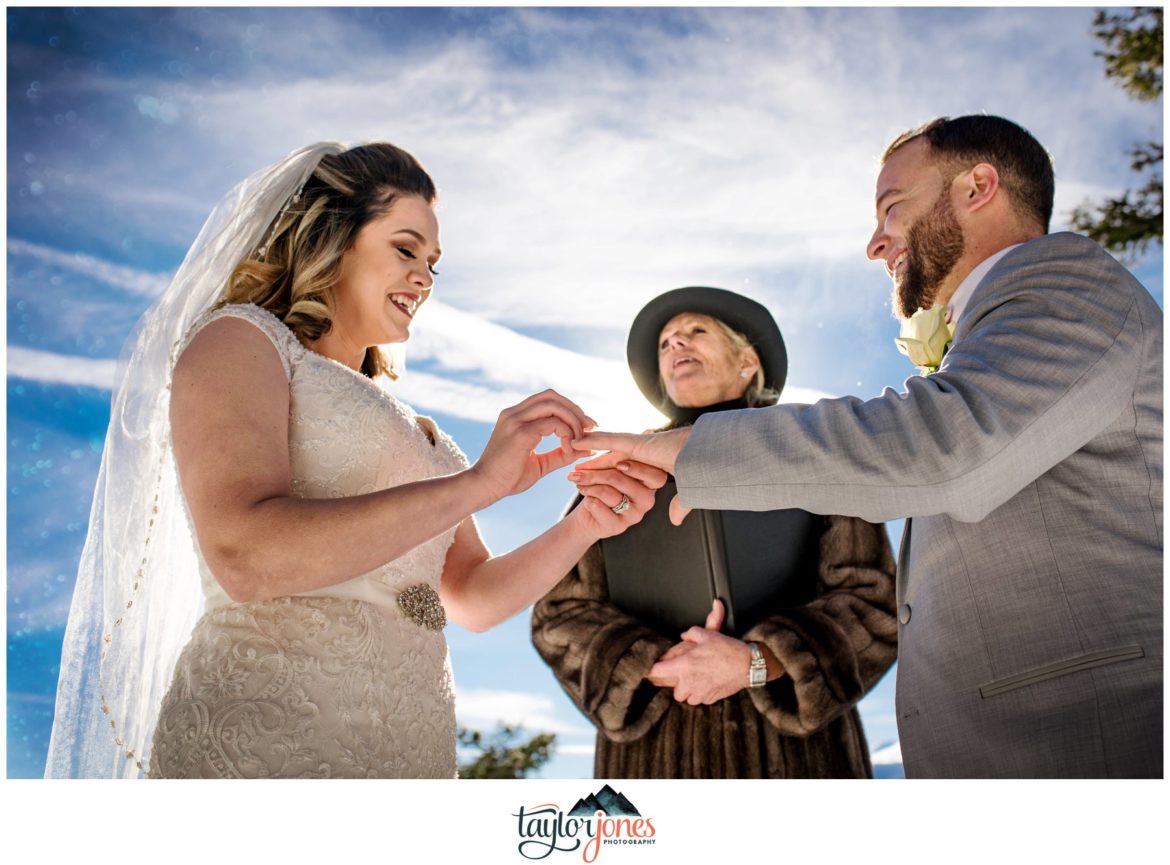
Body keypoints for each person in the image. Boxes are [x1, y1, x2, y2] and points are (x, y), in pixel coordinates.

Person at [44, 141, 665, 779]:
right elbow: (245, 555)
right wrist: (478, 485)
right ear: (336, 238)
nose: (424, 277)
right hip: (267, 740)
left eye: (433, 263)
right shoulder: (241, 339)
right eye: (405, 249)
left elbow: (471, 599)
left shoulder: (418, 429)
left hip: (408, 751)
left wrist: (585, 524)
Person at [574, 116, 1163, 778]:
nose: (875, 243)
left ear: (979, 186)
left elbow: (943, 450)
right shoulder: (987, 337)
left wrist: (698, 458)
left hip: (1078, 744)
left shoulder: (1067, 287)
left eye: (892, 208)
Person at [531, 286, 897, 778]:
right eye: (665, 344)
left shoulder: (810, 453)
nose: (675, 346)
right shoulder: (620, 472)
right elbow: (557, 613)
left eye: (695, 332)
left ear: (747, 361)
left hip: (799, 764)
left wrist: (758, 660)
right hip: (654, 764)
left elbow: (874, 605)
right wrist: (656, 667)